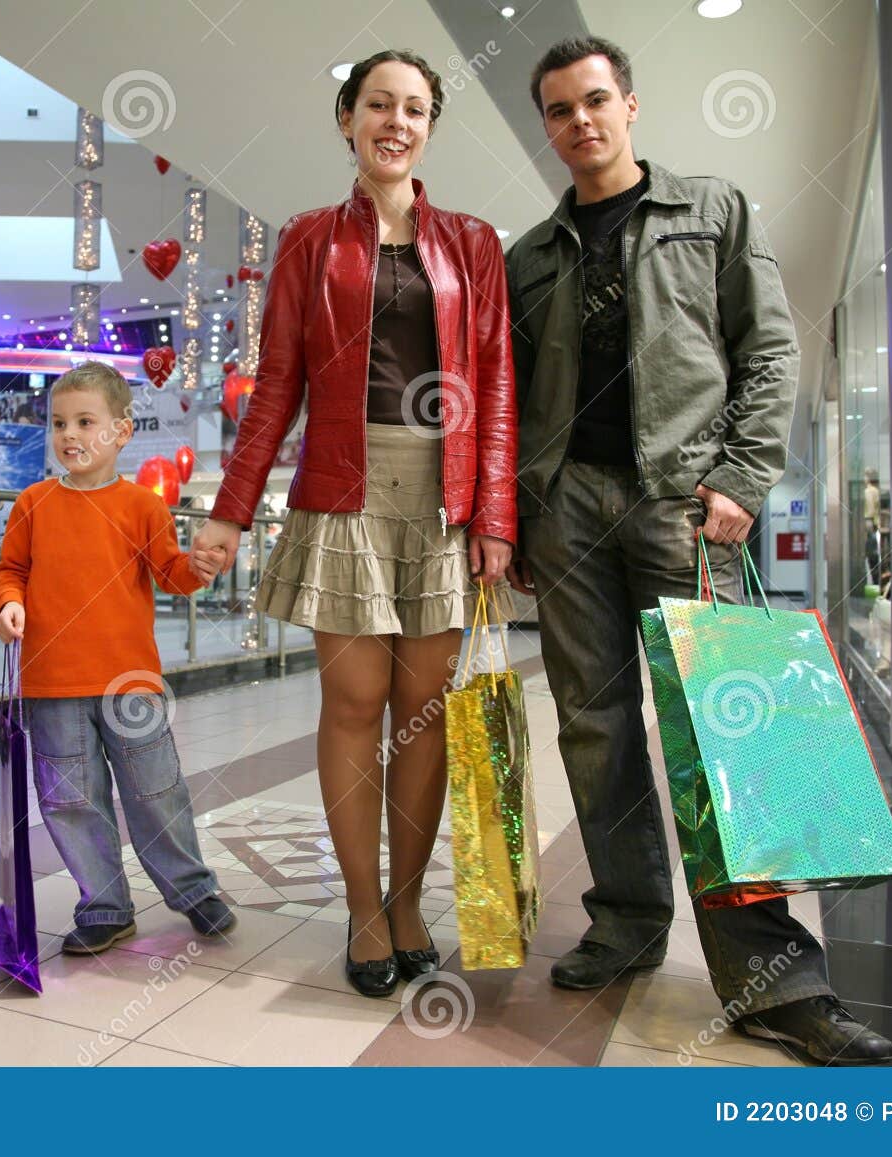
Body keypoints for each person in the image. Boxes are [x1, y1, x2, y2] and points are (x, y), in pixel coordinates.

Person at [505, 37, 892, 1063]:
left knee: (723, 735)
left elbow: (769, 349)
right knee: (594, 726)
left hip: (684, 499)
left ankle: (774, 978)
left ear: (629, 105)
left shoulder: (711, 210)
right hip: (567, 510)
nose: (579, 120)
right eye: (558, 109)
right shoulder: (529, 258)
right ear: (546, 126)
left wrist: (742, 477)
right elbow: (506, 402)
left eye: (595, 100)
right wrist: (514, 516)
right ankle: (627, 920)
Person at [194, 49, 517, 998]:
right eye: (380, 104)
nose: (397, 121)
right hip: (342, 489)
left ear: (429, 127)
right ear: (347, 118)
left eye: (415, 108)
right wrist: (228, 513)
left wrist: (497, 513)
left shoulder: (472, 243)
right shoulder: (306, 239)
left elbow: (497, 387)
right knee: (353, 705)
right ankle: (364, 908)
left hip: (445, 495)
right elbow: (275, 392)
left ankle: (411, 903)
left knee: (424, 718)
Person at [0, 360, 235, 954]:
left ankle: (192, 888)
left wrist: (199, 569)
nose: (68, 435)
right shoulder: (33, 503)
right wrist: (9, 604)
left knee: (156, 789)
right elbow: (11, 571)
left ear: (121, 432)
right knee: (70, 800)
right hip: (51, 681)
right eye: (58, 423)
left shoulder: (142, 508)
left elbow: (171, 575)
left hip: (131, 680)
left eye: (84, 422)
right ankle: (104, 905)